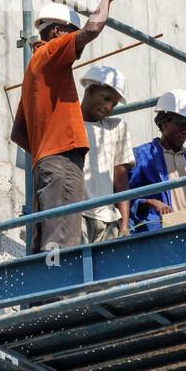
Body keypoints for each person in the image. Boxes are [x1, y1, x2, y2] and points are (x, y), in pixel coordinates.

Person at [11, 0, 124, 254]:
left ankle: (44, 296)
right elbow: (92, 29)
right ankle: (60, 292)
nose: (76, 45)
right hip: (61, 163)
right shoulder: (49, 53)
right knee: (62, 243)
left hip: (46, 165)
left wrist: (45, 152)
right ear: (58, 31)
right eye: (69, 35)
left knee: (47, 242)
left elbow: (20, 134)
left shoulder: (34, 73)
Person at [129, 90, 186, 232]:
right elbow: (125, 199)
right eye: (181, 124)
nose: (185, 131)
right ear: (163, 123)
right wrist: (150, 202)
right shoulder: (142, 156)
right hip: (158, 234)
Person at [79, 64, 134, 243]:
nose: (109, 107)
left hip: (108, 220)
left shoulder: (116, 128)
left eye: (114, 104)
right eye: (105, 99)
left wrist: (124, 225)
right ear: (90, 90)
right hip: (76, 216)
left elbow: (121, 180)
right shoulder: (69, 124)